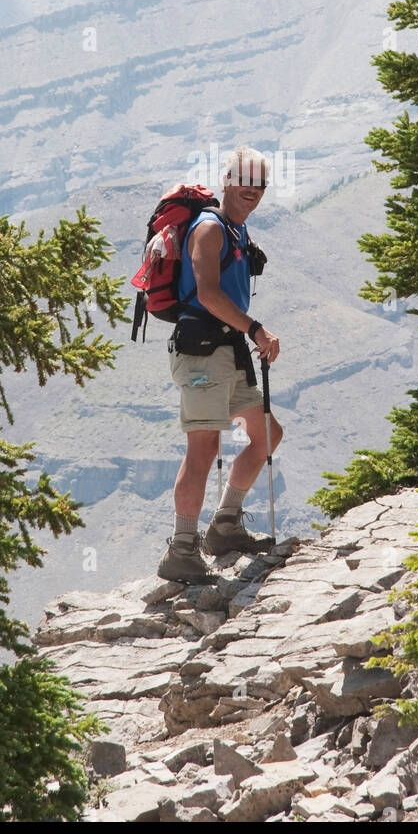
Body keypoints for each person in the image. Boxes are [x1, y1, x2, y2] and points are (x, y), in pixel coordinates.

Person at [157, 145, 283, 583]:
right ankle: (182, 549)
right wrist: (255, 330)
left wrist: (247, 335)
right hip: (202, 352)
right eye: (245, 182)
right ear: (228, 181)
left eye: (260, 184)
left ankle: (225, 526)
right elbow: (208, 294)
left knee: (267, 434)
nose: (253, 191)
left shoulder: (236, 230)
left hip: (229, 350)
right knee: (203, 450)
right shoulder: (210, 229)